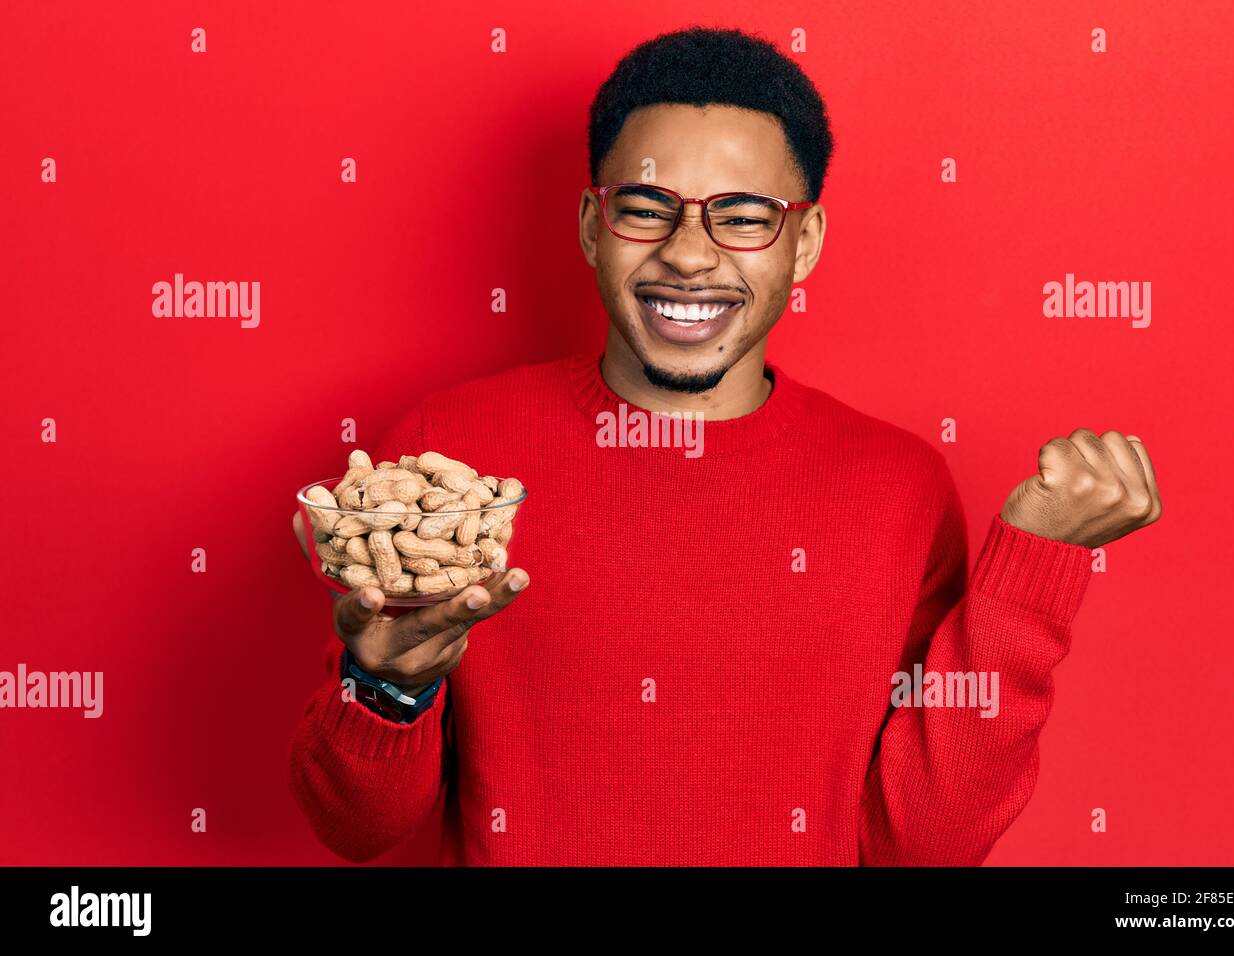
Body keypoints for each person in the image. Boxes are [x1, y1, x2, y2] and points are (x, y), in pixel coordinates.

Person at [288, 25, 1162, 866]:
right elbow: (355, 826)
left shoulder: (899, 487)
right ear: (593, 226)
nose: (690, 255)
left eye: (743, 217)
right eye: (646, 208)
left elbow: (923, 847)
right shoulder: (454, 453)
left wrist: (1036, 570)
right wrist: (387, 688)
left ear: (805, 242)